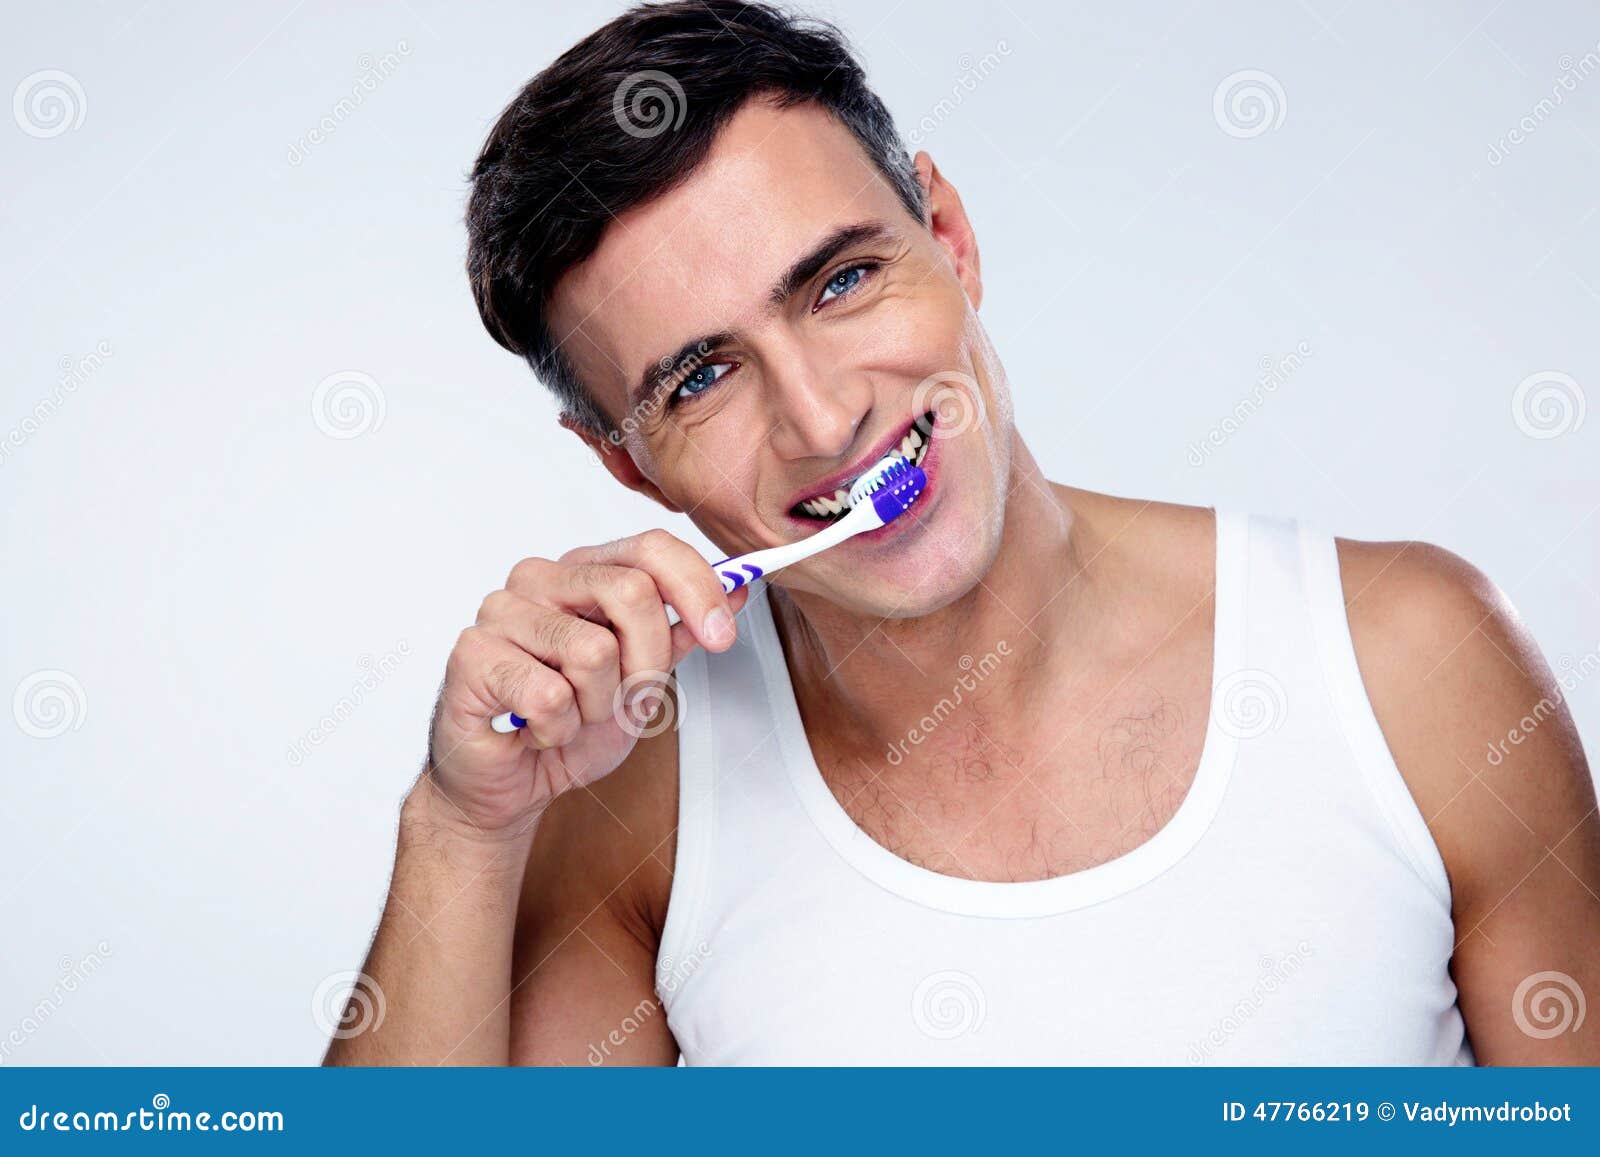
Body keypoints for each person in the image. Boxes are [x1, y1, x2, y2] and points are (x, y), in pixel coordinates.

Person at [325, 0, 1599, 1065]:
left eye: (840, 281)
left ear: (950, 236)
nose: (825, 420)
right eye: (702, 378)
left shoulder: (1409, 660)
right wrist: (459, 822)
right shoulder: (632, 799)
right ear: (623, 460)